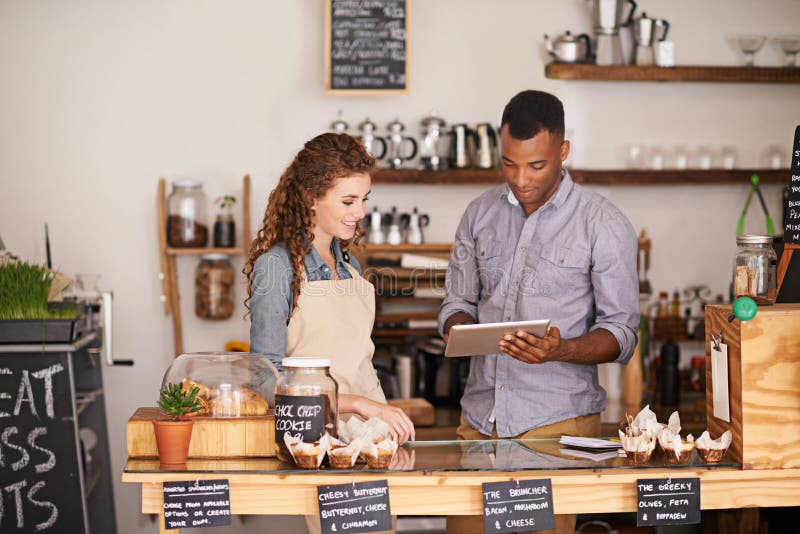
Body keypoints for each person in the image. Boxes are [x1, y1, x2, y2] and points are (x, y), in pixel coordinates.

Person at [439, 90, 640, 534]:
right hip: (478, 425)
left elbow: (622, 332)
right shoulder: (478, 215)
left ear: (563, 151)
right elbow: (456, 303)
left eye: (536, 165)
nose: (520, 178)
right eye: (509, 163)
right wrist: (463, 330)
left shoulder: (603, 224)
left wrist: (561, 348)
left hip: (557, 429)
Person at [245, 132, 415, 445]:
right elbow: (266, 383)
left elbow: (358, 364)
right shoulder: (277, 266)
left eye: (364, 200)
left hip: (369, 437)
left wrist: (383, 417)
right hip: (308, 441)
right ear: (311, 198)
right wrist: (359, 404)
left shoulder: (352, 269)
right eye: (348, 201)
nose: (360, 212)